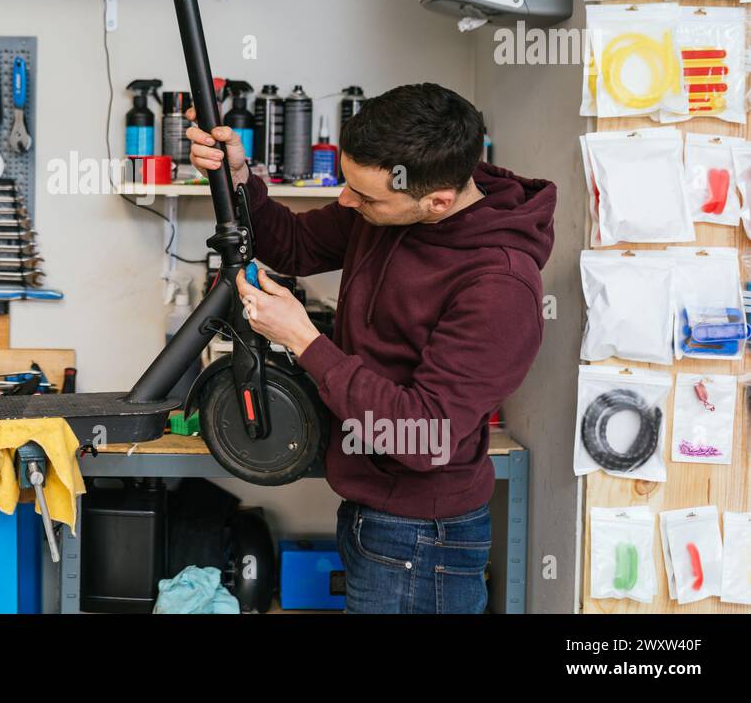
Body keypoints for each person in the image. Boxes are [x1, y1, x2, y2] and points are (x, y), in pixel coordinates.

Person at [186, 82, 555, 614]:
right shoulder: (392, 204)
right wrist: (241, 180)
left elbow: (423, 435)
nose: (345, 200)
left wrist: (303, 340)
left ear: (438, 202)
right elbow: (293, 242)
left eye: (364, 196)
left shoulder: (498, 286)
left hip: (423, 539)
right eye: (348, 183)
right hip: (372, 514)